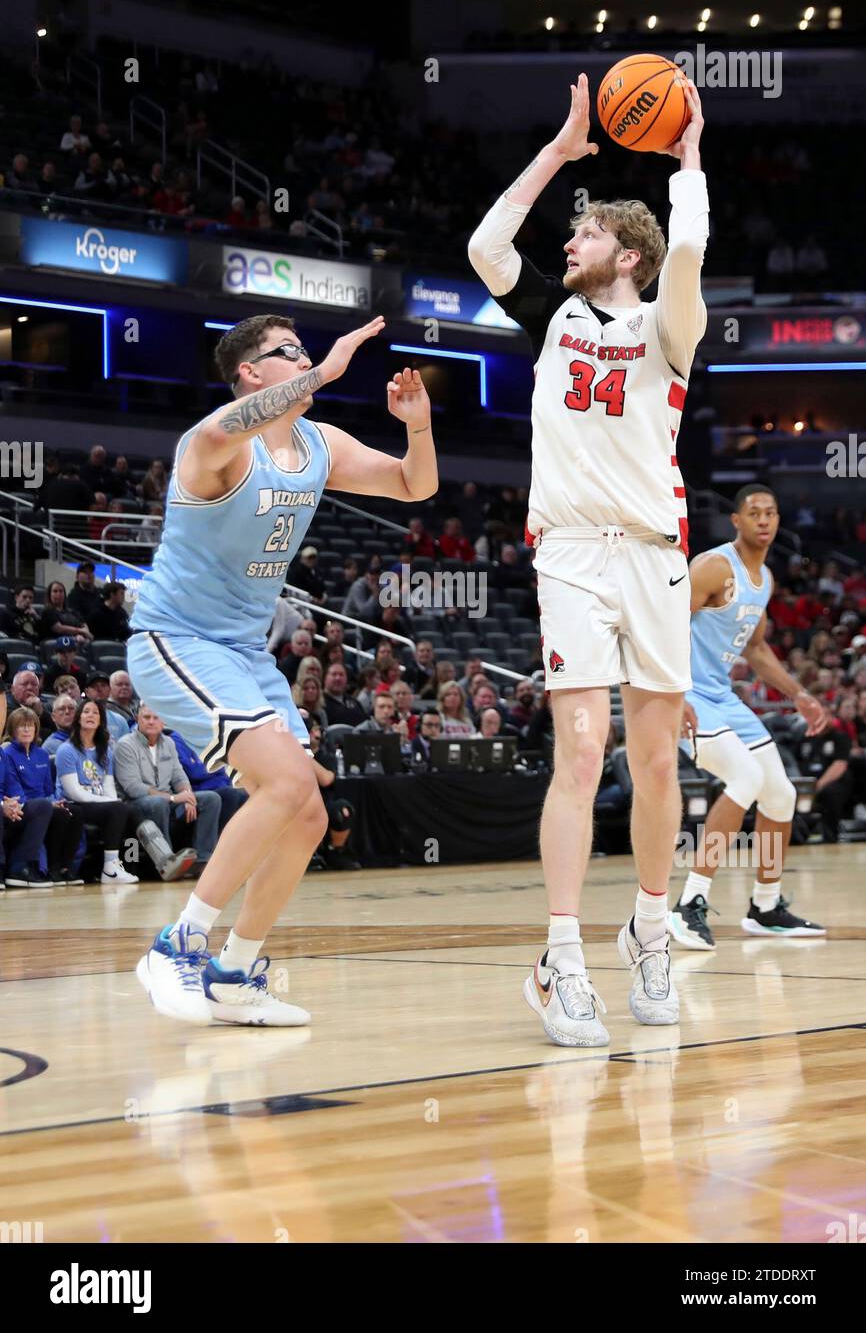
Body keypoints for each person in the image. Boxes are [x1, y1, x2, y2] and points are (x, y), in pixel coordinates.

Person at [468, 72, 709, 1046]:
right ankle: (558, 958)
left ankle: (648, 927)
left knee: (654, 762)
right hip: (568, 551)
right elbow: (486, 246)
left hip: (652, 556)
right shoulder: (552, 320)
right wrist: (558, 153)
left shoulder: (666, 327)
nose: (566, 243)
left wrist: (686, 165)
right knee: (579, 751)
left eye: (585, 233)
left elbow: (687, 257)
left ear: (630, 252)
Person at [127, 311, 436, 1025]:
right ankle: (177, 944)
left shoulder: (319, 445)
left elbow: (414, 487)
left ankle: (234, 972)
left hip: (243, 651)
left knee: (305, 814)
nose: (304, 359)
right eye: (286, 352)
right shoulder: (215, 447)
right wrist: (326, 370)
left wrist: (415, 424)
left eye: (305, 351)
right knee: (288, 779)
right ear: (250, 374)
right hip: (177, 639)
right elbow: (214, 433)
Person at [674, 487, 828, 948]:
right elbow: (664, 622)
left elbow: (757, 648)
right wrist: (674, 692)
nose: (763, 520)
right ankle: (688, 904)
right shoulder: (714, 566)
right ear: (736, 521)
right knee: (744, 778)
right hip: (687, 695)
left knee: (780, 794)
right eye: (753, 513)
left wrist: (798, 693)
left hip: (722, 696)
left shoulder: (764, 579)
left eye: (771, 513)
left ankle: (765, 907)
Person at [114, 707, 217, 881]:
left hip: (168, 799)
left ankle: (202, 861)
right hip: (135, 804)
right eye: (146, 717)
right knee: (157, 803)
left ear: (164, 722)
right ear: (138, 720)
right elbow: (133, 787)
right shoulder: (125, 745)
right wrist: (174, 798)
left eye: (156, 717)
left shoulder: (169, 743)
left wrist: (188, 796)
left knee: (210, 799)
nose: (151, 721)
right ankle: (167, 863)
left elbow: (179, 776)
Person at [54, 699, 135, 883]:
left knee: (131, 812)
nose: (90, 715)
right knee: (118, 809)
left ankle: (132, 863)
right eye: (86, 712)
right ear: (78, 718)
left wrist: (112, 802)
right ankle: (109, 868)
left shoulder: (105, 750)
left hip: (97, 804)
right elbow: (73, 792)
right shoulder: (66, 750)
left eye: (95, 713)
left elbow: (108, 786)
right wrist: (110, 803)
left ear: (101, 721)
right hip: (73, 804)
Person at [3, 707, 85, 887]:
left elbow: (48, 788)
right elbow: (14, 789)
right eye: (21, 726)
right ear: (12, 730)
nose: (26, 730)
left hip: (44, 803)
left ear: (36, 729)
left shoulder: (42, 754)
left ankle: (61, 868)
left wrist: (55, 802)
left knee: (73, 812)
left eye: (30, 726)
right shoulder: (7, 754)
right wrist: (48, 804)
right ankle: (31, 866)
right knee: (45, 808)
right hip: (23, 804)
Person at [168, 728, 248, 833]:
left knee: (245, 793)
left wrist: (207, 765)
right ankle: (220, 842)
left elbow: (225, 767)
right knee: (231, 794)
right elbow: (193, 772)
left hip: (222, 785)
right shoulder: (177, 738)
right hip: (200, 789)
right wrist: (215, 765)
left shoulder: (210, 737)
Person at [307, 717, 359, 870]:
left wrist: (304, 754)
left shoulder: (327, 757)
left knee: (343, 810)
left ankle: (334, 851)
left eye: (313, 729)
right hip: (297, 803)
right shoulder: (286, 755)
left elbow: (327, 779)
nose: (311, 733)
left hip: (322, 802)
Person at [38, 580, 92, 645]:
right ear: (49, 595)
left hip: (79, 641)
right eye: (55, 591)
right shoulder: (47, 612)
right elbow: (59, 628)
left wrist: (85, 633)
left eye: (61, 591)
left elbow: (84, 625)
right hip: (57, 644)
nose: (58, 594)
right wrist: (80, 632)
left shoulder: (73, 612)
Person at [322, 663, 366, 728]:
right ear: (325, 678)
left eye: (341, 675)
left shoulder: (354, 702)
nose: (338, 678)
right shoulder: (319, 702)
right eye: (334, 674)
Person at [68, 562, 104, 629]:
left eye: (91, 571)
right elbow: (77, 620)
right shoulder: (73, 597)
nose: (88, 574)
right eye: (84, 572)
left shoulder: (102, 593)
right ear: (77, 577)